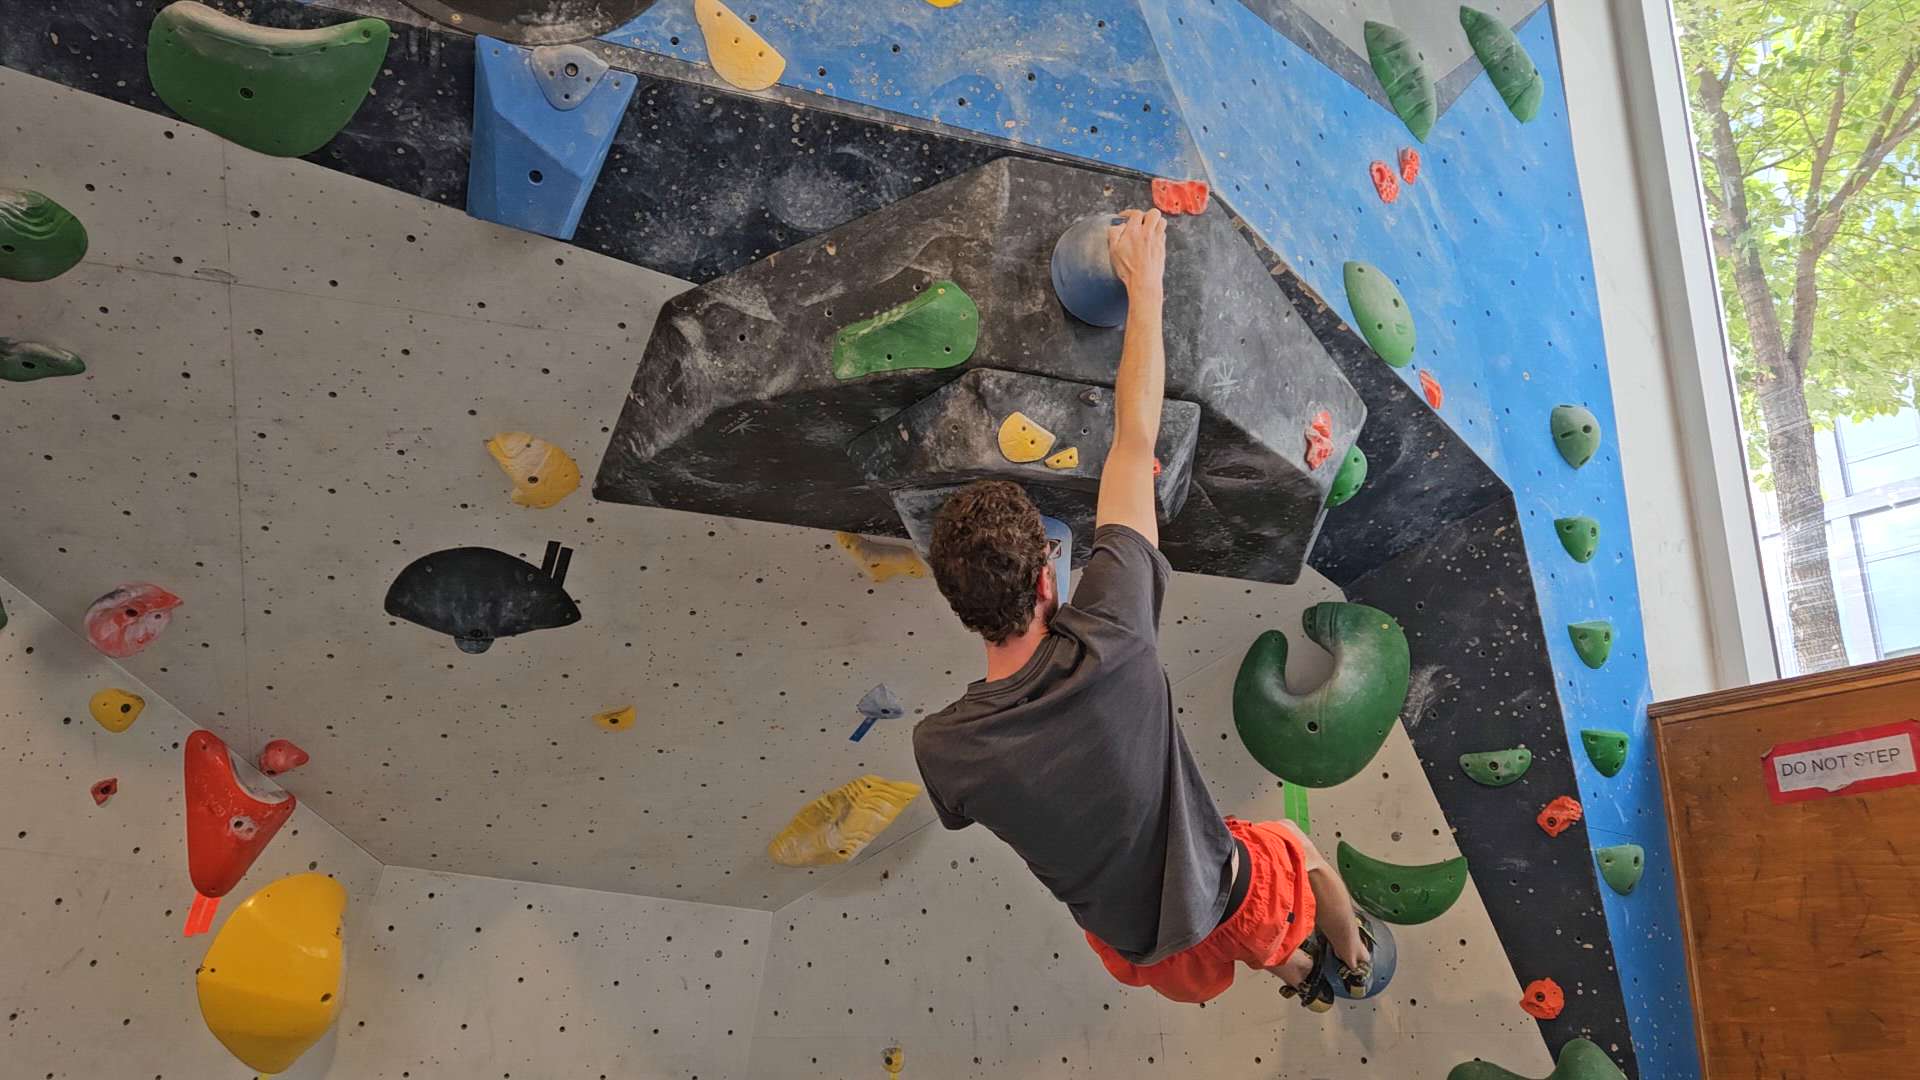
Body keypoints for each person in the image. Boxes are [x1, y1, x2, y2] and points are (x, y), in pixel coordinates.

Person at [911, 208, 1371, 1005]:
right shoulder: (1114, 629)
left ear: (956, 602)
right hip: (1227, 894)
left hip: (1139, 950)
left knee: (1234, 929)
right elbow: (1135, 436)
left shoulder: (942, 750)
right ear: (1051, 575)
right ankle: (1350, 959)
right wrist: (1145, 287)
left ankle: (1303, 977)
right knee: (1292, 844)